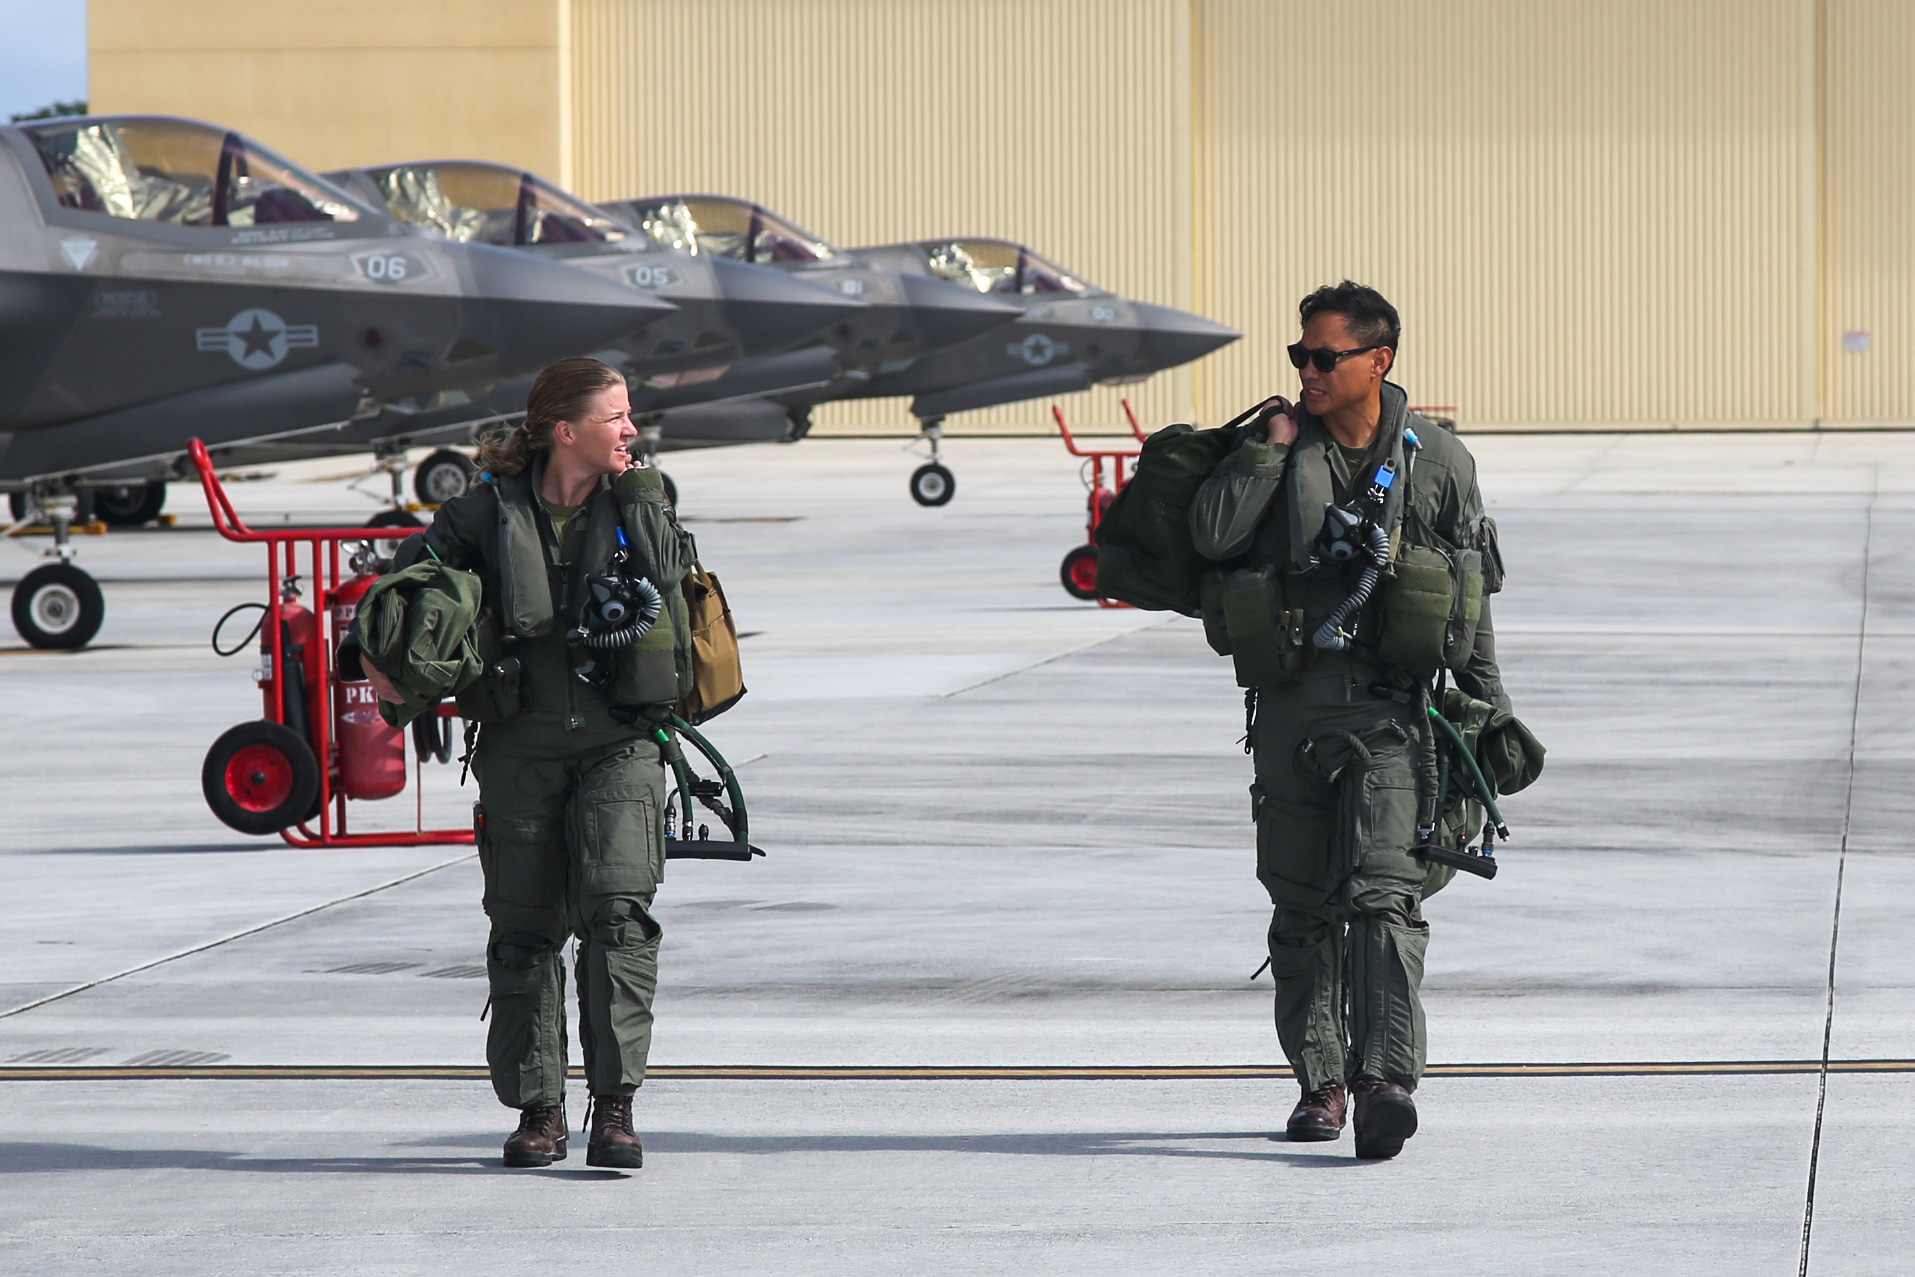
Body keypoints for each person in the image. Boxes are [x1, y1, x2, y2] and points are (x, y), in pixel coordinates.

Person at [1189, 282, 1513, 1159]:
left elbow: (1471, 596)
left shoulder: (1438, 460)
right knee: (1300, 911)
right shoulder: (1273, 442)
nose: (1307, 371)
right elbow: (1213, 536)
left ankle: (1384, 1081)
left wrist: (1489, 714)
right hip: (1291, 712)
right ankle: (1320, 1084)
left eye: (1324, 357)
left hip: (1390, 716)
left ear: (1380, 359)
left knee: (1381, 898)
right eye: (1300, 356)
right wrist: (1264, 454)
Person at [360, 357, 697, 1169]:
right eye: (615, 415)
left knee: (617, 916)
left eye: (630, 414)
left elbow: (669, 576)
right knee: (524, 932)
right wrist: (392, 655)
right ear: (564, 430)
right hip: (520, 742)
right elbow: (403, 592)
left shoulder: (642, 497)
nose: (630, 428)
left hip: (620, 741)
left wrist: (641, 493)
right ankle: (538, 1109)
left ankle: (614, 1106)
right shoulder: (480, 514)